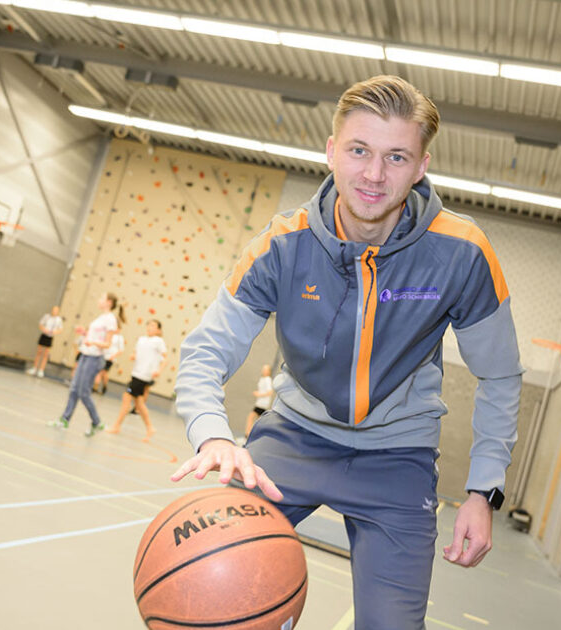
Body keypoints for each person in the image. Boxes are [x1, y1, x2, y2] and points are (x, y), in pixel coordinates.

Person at [170, 75, 522, 628]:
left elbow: (500, 375)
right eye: (359, 150)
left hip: (398, 460)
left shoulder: (463, 253)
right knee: (210, 592)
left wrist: (484, 489)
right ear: (332, 150)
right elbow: (205, 351)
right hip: (292, 441)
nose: (375, 175)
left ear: (422, 166)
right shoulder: (281, 245)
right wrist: (214, 435)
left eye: (397, 157)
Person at [50, 292, 126, 436]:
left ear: (109, 302)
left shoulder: (110, 319)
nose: (99, 300)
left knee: (83, 393)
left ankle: (97, 422)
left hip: (95, 358)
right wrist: (85, 333)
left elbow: (107, 343)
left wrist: (93, 342)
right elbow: (94, 337)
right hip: (86, 355)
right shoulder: (101, 317)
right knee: (73, 389)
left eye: (102, 298)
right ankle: (64, 419)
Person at [106, 319, 167, 441]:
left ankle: (116, 426)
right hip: (136, 373)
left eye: (153, 325)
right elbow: (136, 353)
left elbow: (165, 358)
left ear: (158, 330)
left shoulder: (159, 341)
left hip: (144, 375)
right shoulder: (141, 340)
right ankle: (150, 428)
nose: (150, 327)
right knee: (139, 403)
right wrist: (133, 356)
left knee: (126, 398)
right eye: (148, 324)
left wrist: (159, 370)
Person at [28, 306, 63, 377]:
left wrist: (54, 332)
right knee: (39, 352)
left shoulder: (58, 320)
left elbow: (60, 329)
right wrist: (44, 329)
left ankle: (41, 370)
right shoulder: (47, 316)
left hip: (50, 337)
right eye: (54, 310)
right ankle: (34, 368)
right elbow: (41, 324)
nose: (55, 311)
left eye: (56, 310)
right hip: (44, 335)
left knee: (46, 354)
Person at [244, 364, 274, 438]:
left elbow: (270, 392)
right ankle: (257, 435)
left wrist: (259, 394)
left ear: (268, 371)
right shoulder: (262, 379)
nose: (263, 370)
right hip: (259, 402)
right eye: (263, 369)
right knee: (259, 420)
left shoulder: (268, 380)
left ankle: (248, 434)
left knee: (251, 416)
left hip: (262, 404)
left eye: (265, 369)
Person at [94, 327, 125, 395]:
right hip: (103, 355)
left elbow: (121, 350)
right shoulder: (109, 335)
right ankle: (97, 387)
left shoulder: (120, 338)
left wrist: (113, 356)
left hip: (110, 358)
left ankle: (101, 386)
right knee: (100, 372)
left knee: (103, 372)